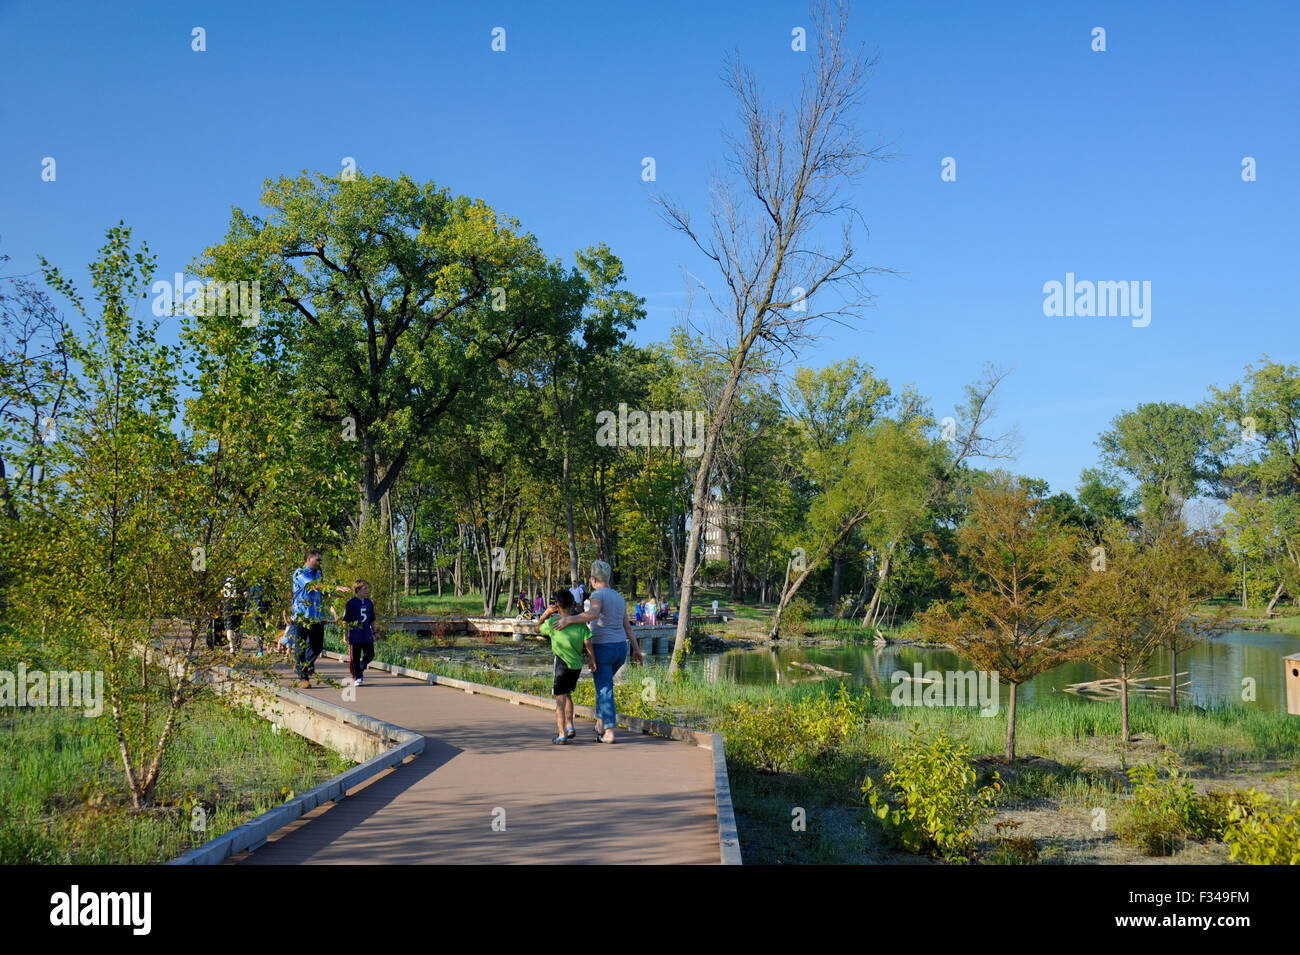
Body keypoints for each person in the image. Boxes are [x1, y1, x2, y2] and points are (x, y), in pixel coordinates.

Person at [556, 560, 642, 743]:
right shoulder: (619, 597)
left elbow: (593, 614)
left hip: (604, 647)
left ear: (593, 580)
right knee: (604, 684)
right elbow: (627, 626)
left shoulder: (598, 595)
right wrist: (636, 649)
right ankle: (601, 724)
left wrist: (569, 620)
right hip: (621, 648)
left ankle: (609, 731)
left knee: (604, 689)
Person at [536, 588, 591, 744]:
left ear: (557, 605)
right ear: (573, 604)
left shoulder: (553, 623)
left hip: (561, 664)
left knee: (559, 701)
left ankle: (562, 735)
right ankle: (570, 726)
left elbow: (536, 629)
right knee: (568, 695)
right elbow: (588, 643)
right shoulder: (580, 625)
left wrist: (545, 615)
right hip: (576, 666)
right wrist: (592, 660)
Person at [291, 549, 349, 688]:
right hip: (302, 617)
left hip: (316, 617)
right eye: (318, 560)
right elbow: (312, 586)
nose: (320, 563)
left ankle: (306, 665)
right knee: (301, 648)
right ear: (309, 559)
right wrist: (334, 587)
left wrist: (332, 594)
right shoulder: (300, 573)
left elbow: (320, 592)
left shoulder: (317, 574)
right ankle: (303, 677)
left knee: (317, 647)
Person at [342, 579, 377, 686]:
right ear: (358, 590)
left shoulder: (369, 602)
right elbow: (345, 620)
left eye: (367, 588)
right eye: (364, 588)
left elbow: (372, 619)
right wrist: (345, 634)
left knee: (370, 654)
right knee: (355, 658)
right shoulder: (351, 603)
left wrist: (375, 632)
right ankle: (357, 677)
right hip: (355, 635)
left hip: (366, 634)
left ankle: (360, 669)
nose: (367, 591)